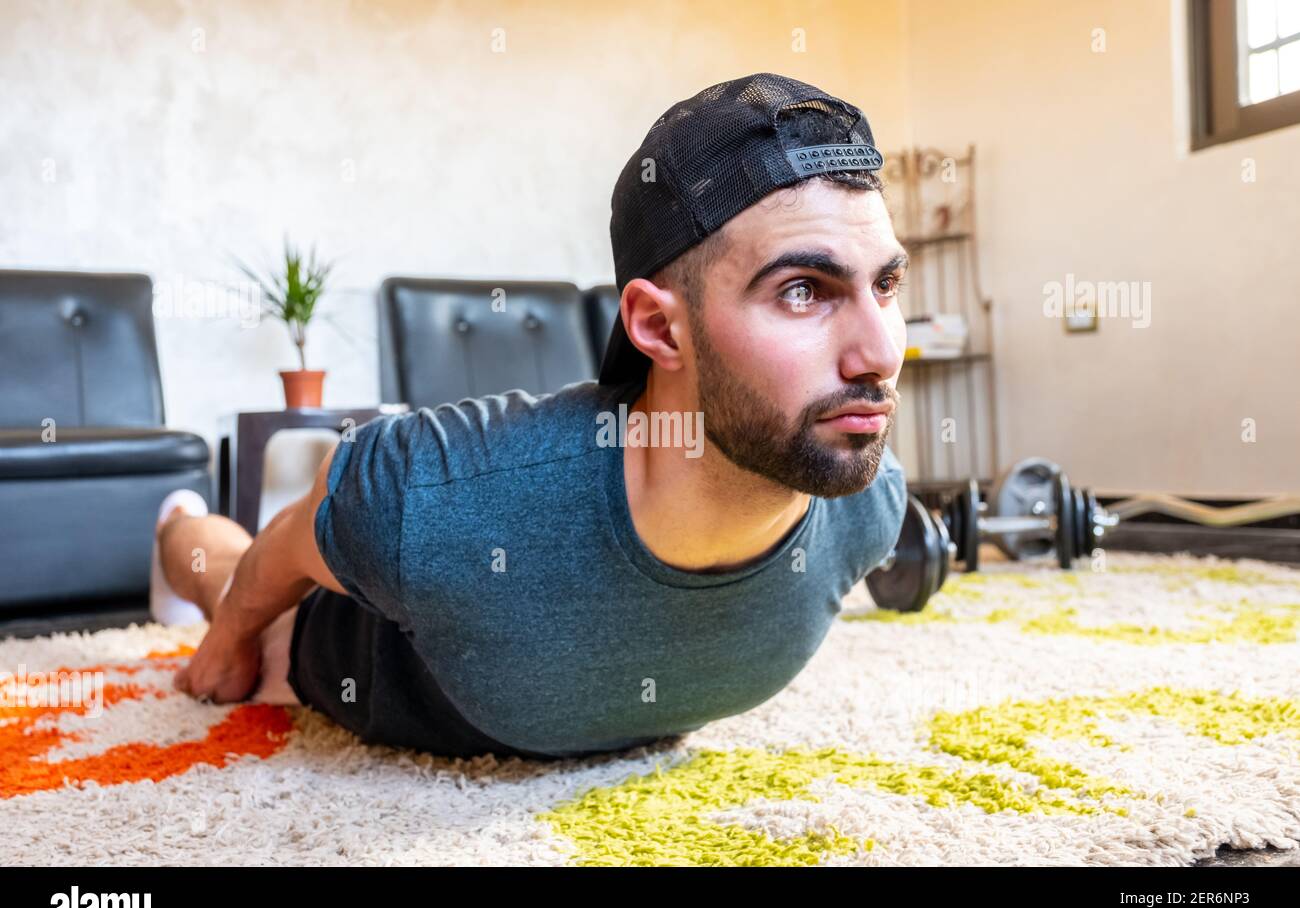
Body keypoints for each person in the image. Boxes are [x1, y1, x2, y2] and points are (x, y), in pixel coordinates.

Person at [159, 72, 910, 760]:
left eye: (886, 285)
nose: (878, 353)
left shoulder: (866, 505)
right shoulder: (444, 500)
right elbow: (302, 531)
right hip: (386, 657)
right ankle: (176, 523)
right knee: (224, 574)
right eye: (804, 291)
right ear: (657, 327)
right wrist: (223, 647)